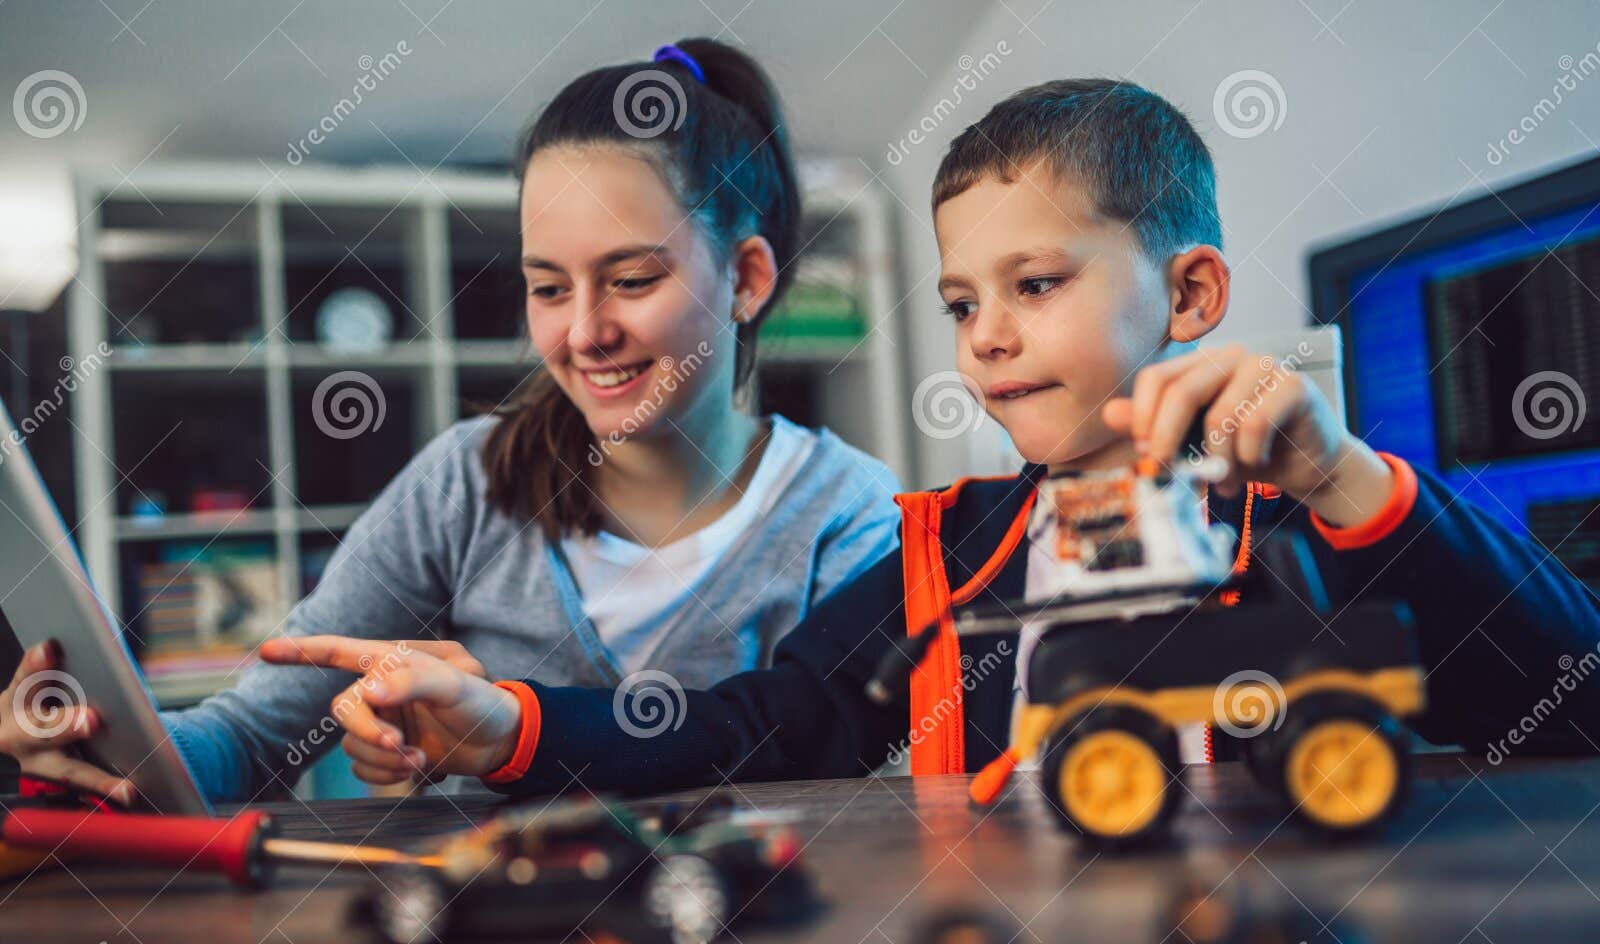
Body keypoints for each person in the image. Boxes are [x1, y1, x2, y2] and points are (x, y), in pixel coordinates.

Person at [262, 79, 1600, 798]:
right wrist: (513, 727)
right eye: (964, 302)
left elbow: (1569, 696)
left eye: (1037, 286)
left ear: (1190, 295)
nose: (987, 341)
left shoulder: (1315, 513)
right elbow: (753, 725)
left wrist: (1349, 481)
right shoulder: (942, 551)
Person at [0, 39, 900, 804]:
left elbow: (843, 768)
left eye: (631, 280)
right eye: (548, 287)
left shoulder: (852, 517)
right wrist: (107, 750)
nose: (584, 332)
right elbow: (247, 736)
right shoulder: (464, 484)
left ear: (745, 278)